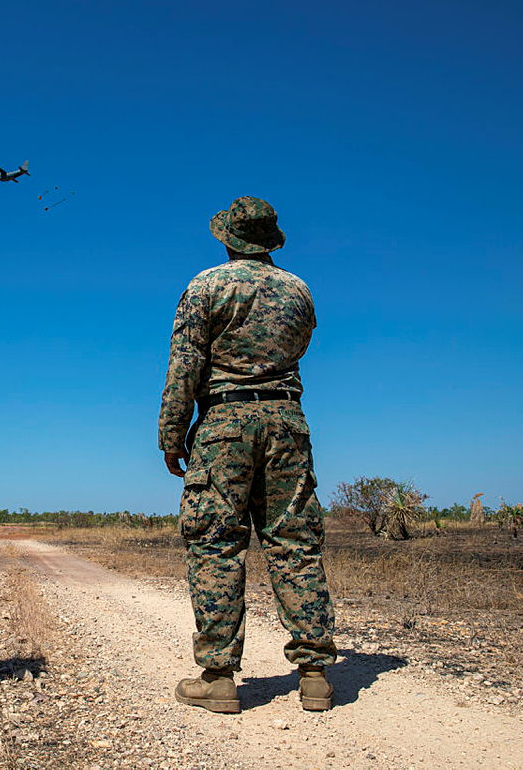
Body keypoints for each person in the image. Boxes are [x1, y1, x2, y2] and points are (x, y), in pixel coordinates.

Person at [158, 196, 336, 713]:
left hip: (224, 424)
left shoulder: (206, 285)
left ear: (228, 237)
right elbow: (299, 347)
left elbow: (185, 363)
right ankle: (315, 673)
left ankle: (217, 677)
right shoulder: (298, 291)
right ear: (270, 240)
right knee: (294, 541)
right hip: (288, 422)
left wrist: (172, 434)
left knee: (216, 541)